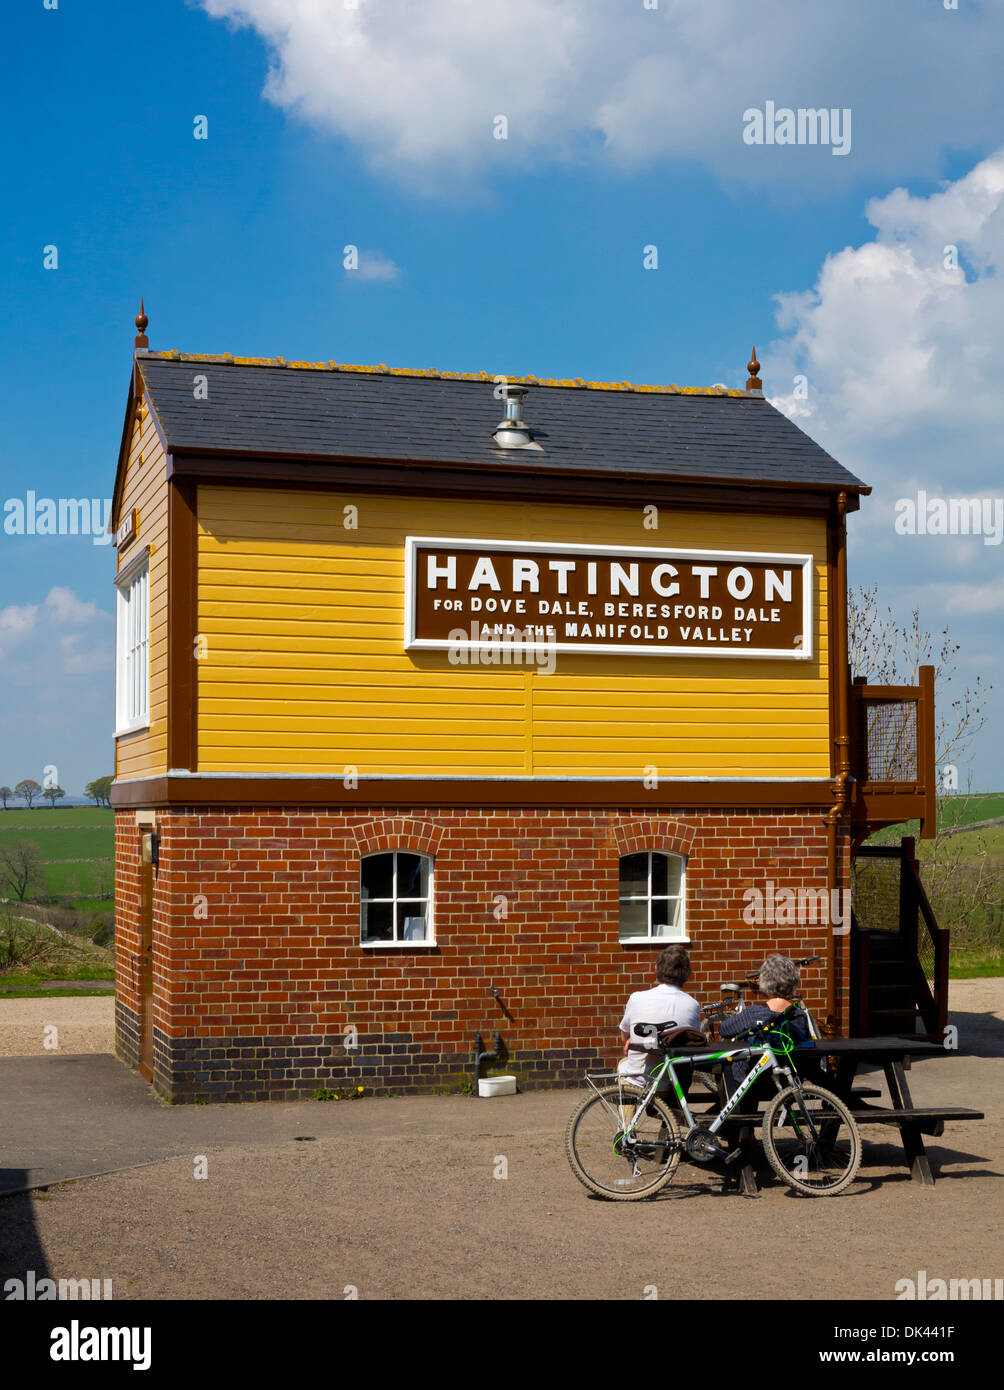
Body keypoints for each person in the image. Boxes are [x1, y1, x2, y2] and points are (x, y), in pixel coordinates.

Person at [717, 953, 811, 1102]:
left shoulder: (753, 1013)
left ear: (765, 981)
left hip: (750, 1083)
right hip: (786, 1082)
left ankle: (738, 1122)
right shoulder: (799, 1016)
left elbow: (724, 1029)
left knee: (726, 1068)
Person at [618, 944, 701, 1098]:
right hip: (671, 1086)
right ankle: (669, 1119)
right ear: (686, 974)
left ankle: (626, 1121)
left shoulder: (637, 998)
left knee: (623, 1063)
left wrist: (633, 1039)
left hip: (638, 1081)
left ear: (656, 968)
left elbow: (624, 1036)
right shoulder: (693, 1005)